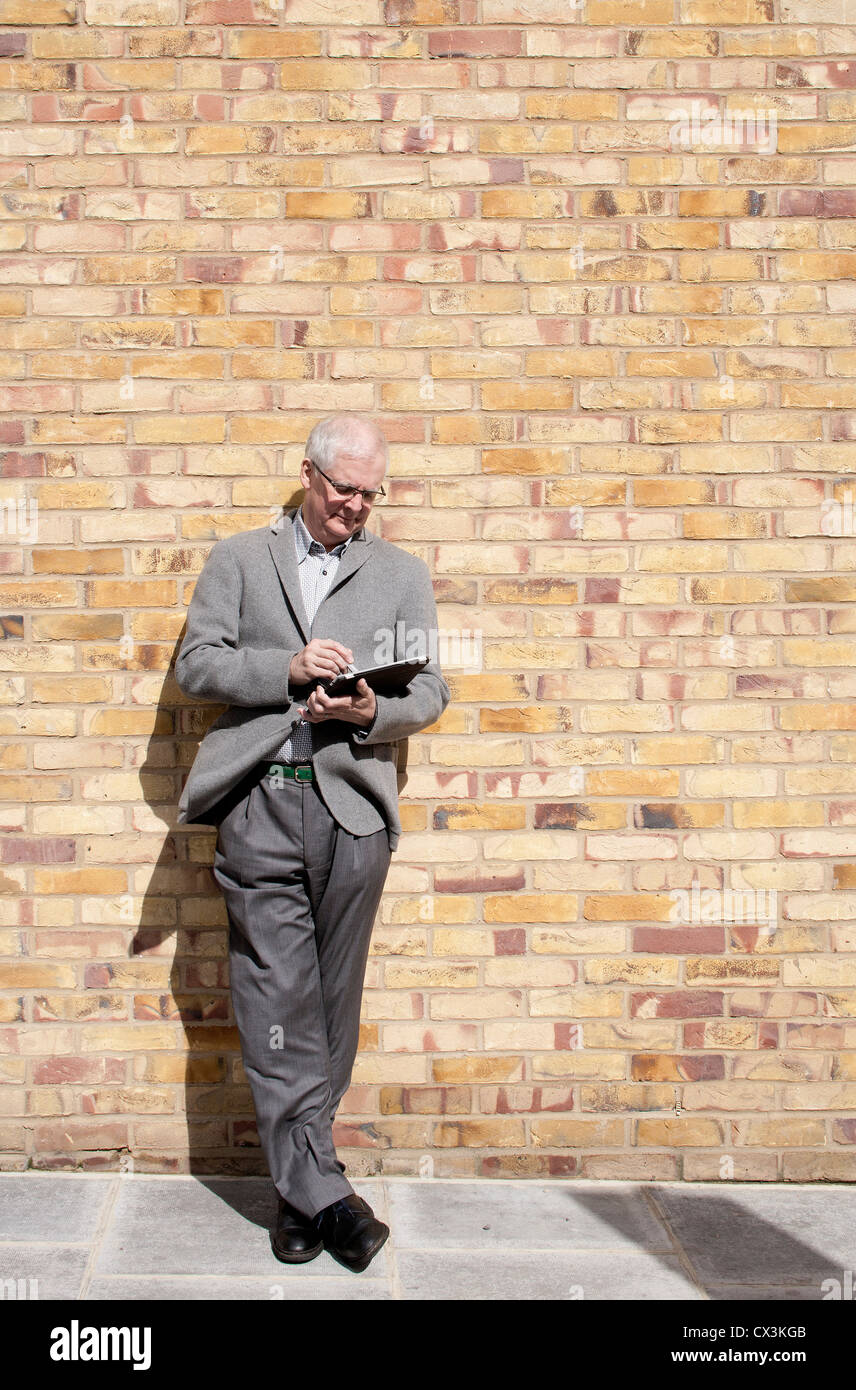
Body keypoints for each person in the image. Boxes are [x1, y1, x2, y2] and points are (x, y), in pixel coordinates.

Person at [173, 413, 451, 1273]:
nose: (357, 507)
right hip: (261, 803)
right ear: (307, 475)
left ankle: (298, 1195)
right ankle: (330, 1195)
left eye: (371, 494)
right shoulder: (241, 560)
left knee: (331, 1007)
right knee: (273, 1004)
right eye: (343, 490)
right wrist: (286, 669)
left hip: (352, 812)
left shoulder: (402, 574)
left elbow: (433, 689)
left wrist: (371, 710)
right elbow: (197, 664)